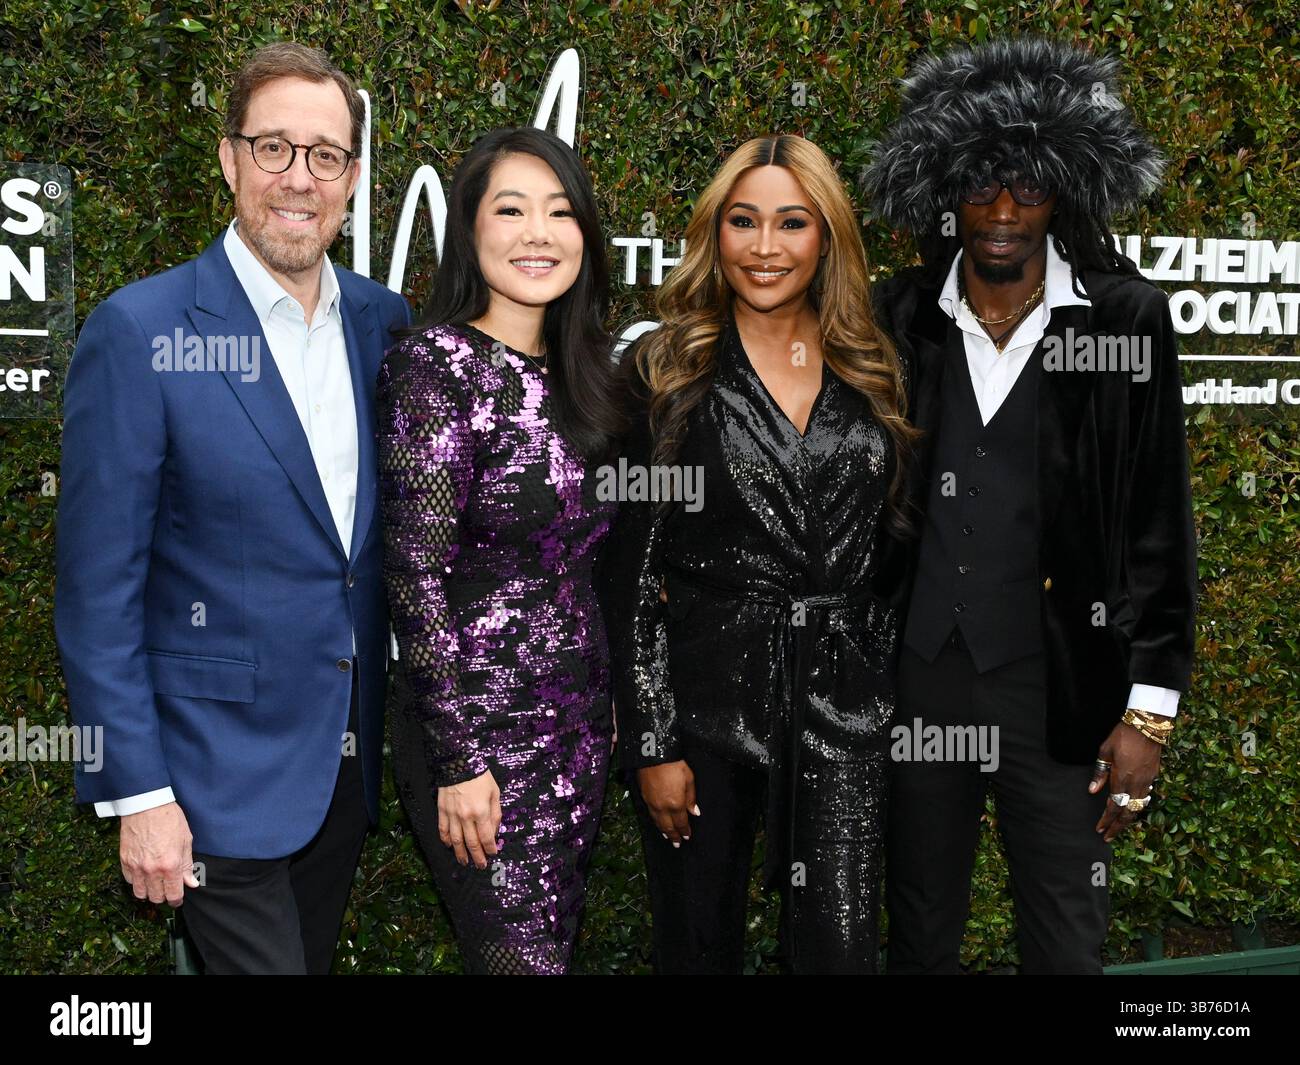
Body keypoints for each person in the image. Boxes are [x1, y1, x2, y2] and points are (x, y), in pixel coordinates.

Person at [54, 42, 411, 973]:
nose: (299, 178)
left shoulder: (385, 325)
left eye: (325, 155)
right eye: (273, 148)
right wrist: (139, 793)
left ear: (353, 178)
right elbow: (96, 593)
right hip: (207, 779)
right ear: (229, 159)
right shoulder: (140, 330)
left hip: (340, 770)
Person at [865, 36, 1197, 973]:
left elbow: (1158, 525)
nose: (1004, 212)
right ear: (947, 190)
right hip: (921, 676)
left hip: (1059, 686)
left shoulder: (1125, 319)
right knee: (918, 926)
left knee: (1066, 937)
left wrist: (1148, 715)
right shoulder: (900, 316)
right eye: (982, 187)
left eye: (1029, 188)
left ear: (1063, 193)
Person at [598, 134, 917, 973]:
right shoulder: (669, 368)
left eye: (791, 222)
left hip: (845, 711)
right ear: (716, 232)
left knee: (840, 950)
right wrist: (653, 742)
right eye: (743, 221)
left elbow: (897, 550)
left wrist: (880, 679)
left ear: (827, 236)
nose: (765, 247)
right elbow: (630, 574)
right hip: (706, 707)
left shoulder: (877, 365)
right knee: (697, 945)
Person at [377, 127, 624, 974]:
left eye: (560, 211)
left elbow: (588, 569)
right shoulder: (433, 367)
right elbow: (414, 576)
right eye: (511, 210)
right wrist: (457, 760)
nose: (537, 233)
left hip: (578, 734)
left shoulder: (589, 378)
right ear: (470, 228)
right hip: (477, 743)